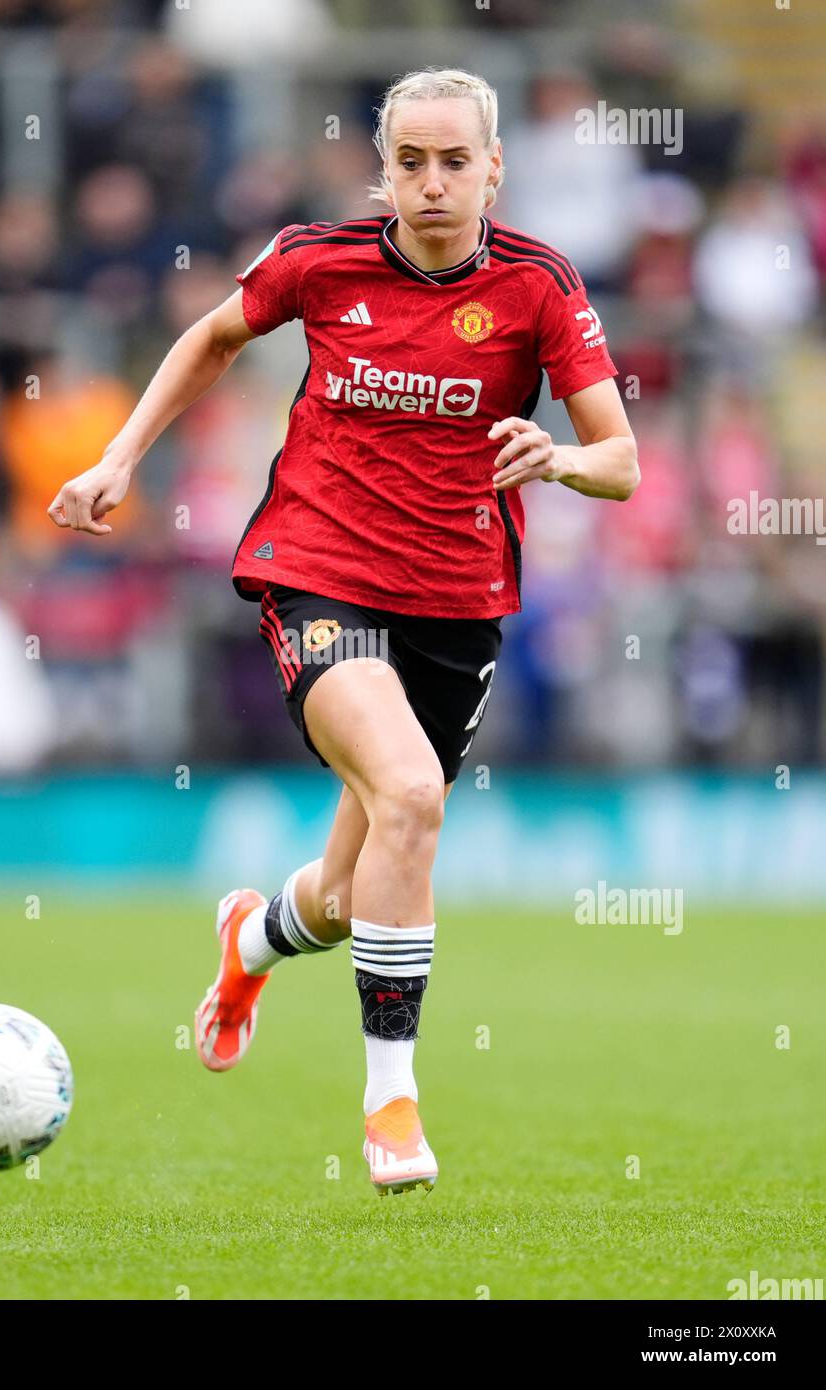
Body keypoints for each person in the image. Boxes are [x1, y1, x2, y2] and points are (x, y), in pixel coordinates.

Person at [48, 67, 640, 1196]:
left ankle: (252, 940)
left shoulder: (538, 285)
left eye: (453, 161)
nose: (429, 182)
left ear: (493, 168)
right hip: (315, 570)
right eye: (409, 161)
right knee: (412, 793)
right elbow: (211, 339)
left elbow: (622, 458)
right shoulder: (318, 259)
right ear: (383, 167)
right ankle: (391, 1103)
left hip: (458, 602)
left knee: (344, 886)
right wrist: (119, 458)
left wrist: (557, 456)